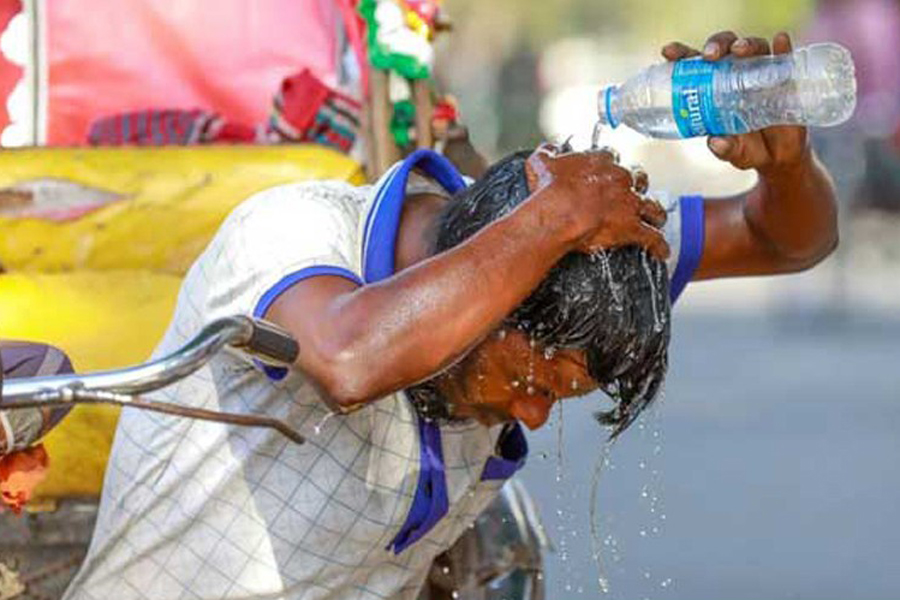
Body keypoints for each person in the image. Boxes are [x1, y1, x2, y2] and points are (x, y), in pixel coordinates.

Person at [64, 31, 837, 600]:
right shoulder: (289, 233)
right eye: (534, 379)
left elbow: (787, 239)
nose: (531, 416)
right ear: (498, 289)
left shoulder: (580, 258)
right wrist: (551, 221)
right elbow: (351, 360)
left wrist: (785, 163)